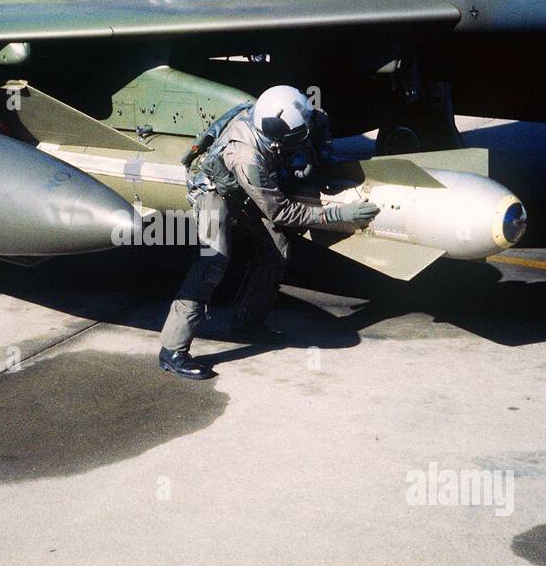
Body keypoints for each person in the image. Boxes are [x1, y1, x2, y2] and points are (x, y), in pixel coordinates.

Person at [158, 86, 380, 380]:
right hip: (216, 193)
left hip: (248, 190)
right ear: (276, 139)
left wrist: (316, 154)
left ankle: (248, 320)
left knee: (276, 250)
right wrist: (339, 214)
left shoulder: (290, 112)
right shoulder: (247, 158)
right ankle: (172, 350)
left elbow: (319, 121)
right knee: (212, 262)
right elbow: (281, 212)